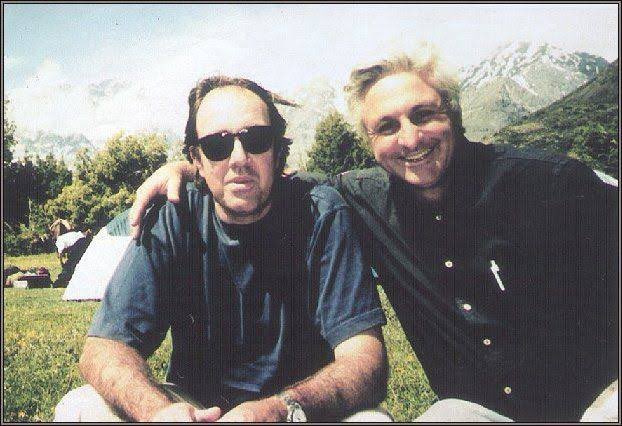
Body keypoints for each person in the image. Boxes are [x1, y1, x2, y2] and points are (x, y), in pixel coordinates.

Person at [129, 43, 619, 422]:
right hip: (478, 413)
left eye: (423, 115)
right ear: (370, 141)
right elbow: (267, 179)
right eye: (386, 127)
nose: (410, 139)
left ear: (453, 113)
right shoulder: (362, 198)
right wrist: (194, 169)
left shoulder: (555, 186)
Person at [54, 76, 390, 422]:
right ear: (196, 160)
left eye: (256, 139)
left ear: (277, 151)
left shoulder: (322, 213)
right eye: (217, 146)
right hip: (198, 412)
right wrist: (159, 412)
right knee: (80, 408)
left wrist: (279, 410)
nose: (239, 159)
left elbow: (365, 360)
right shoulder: (174, 215)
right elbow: (104, 347)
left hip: (298, 409)